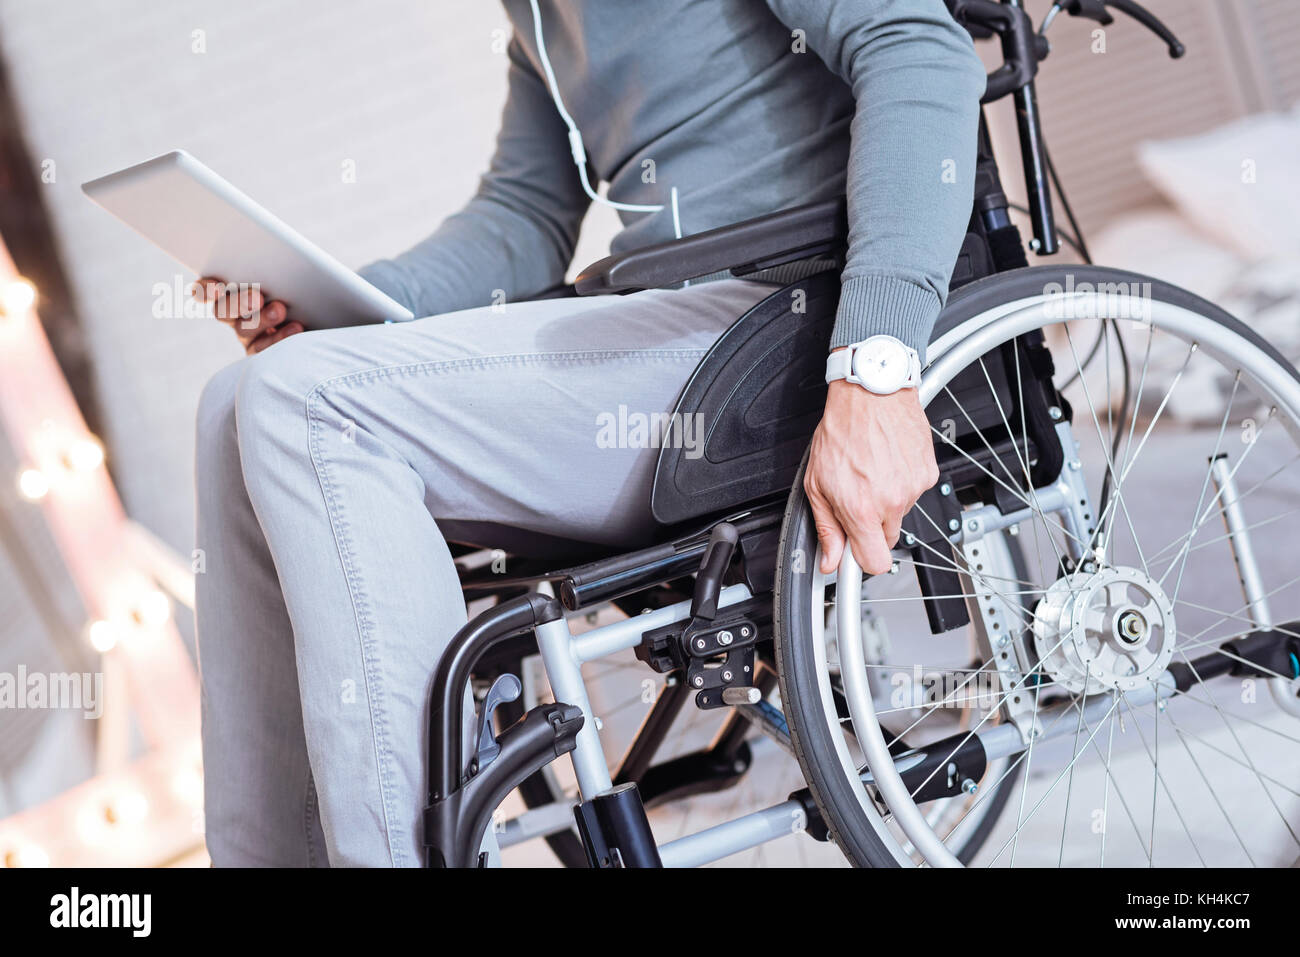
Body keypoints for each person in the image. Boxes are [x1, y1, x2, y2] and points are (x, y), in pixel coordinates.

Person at [193, 0, 986, 866]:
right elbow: (524, 215)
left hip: (783, 313)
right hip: (657, 313)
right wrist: (332, 305)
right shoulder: (540, 14)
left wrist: (878, 363)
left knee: (302, 400)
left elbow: (918, 47)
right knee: (235, 401)